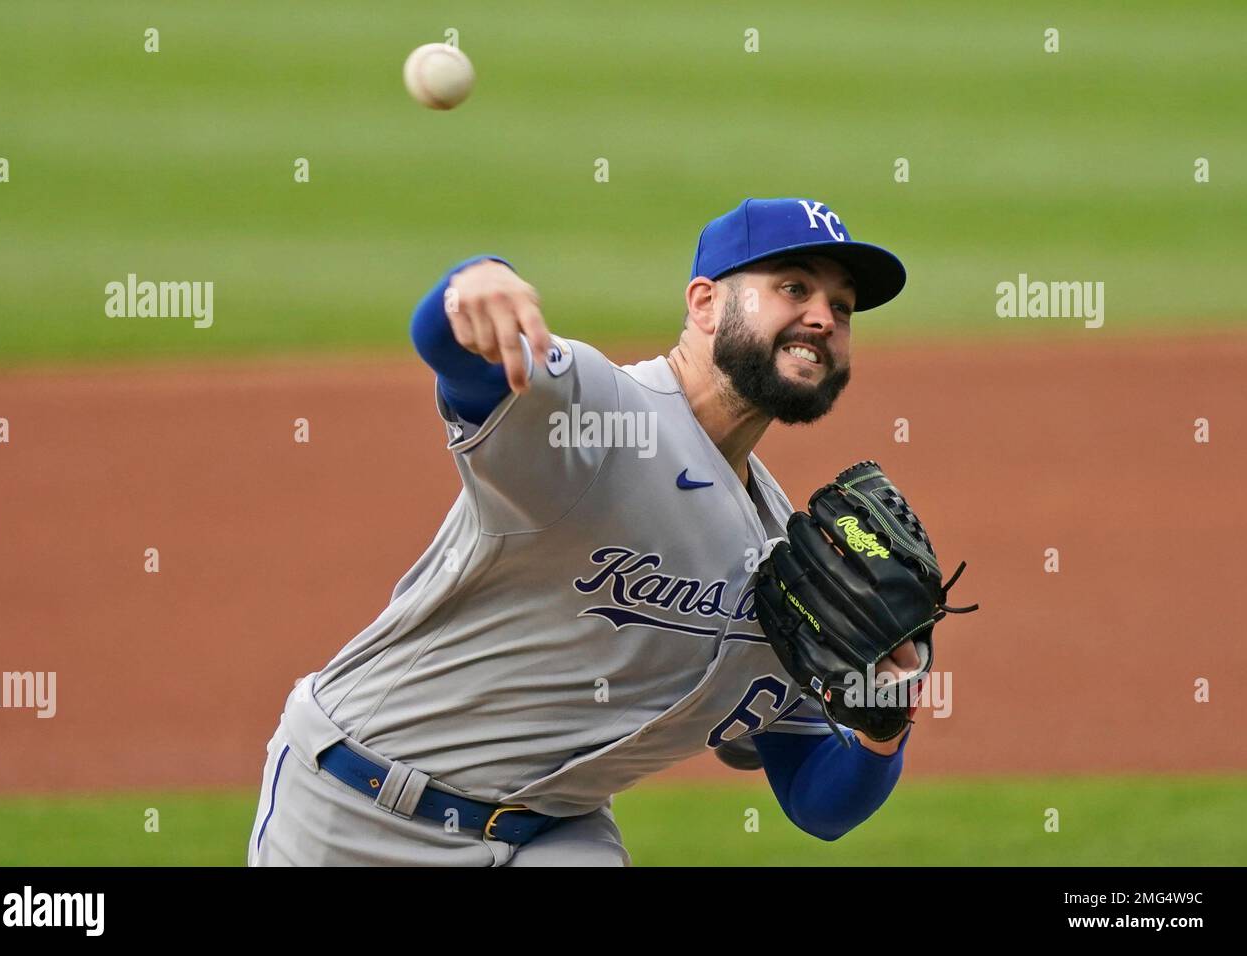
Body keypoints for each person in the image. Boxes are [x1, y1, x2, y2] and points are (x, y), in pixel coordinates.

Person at [248, 197, 924, 866]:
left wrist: (882, 724)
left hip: (554, 834)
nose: (821, 317)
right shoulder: (600, 414)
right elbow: (455, 354)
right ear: (704, 304)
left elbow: (818, 802)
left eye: (841, 306)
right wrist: (475, 282)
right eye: (793, 287)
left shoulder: (794, 565)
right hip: (354, 809)